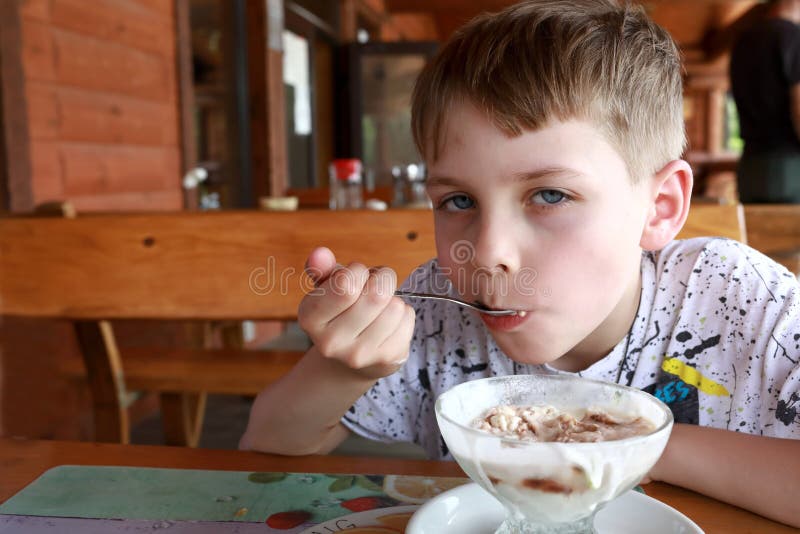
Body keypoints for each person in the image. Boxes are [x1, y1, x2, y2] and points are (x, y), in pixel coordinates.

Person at [241, 0, 800, 526]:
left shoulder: (738, 303)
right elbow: (265, 453)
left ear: (660, 207)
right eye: (458, 201)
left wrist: (638, 447)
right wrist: (342, 369)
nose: (486, 253)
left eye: (550, 196)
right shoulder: (436, 317)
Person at [730, 0, 800, 203]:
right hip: (788, 171)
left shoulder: (742, 40)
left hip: (749, 169)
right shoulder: (794, 37)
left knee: (751, 235)